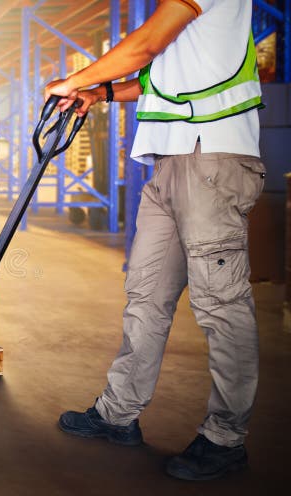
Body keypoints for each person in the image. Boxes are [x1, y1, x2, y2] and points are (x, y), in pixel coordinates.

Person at [44, 0, 266, 481]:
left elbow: (145, 45)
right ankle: (118, 413)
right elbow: (156, 80)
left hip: (212, 160)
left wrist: (77, 79)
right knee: (145, 294)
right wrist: (100, 93)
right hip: (169, 163)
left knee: (220, 304)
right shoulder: (186, 21)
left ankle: (226, 439)